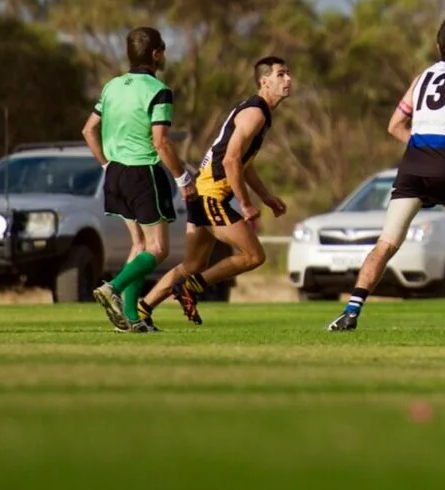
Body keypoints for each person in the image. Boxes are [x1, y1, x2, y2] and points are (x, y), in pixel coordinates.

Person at [328, 16, 445, 333]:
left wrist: (422, 144)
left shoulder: (422, 77)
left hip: (411, 165)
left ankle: (350, 312)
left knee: (387, 242)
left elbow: (394, 125)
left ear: (438, 46)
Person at [139, 56, 295, 329]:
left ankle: (143, 309)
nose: (288, 79)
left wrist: (266, 196)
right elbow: (230, 161)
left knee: (192, 264)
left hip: (203, 192)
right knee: (253, 256)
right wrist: (245, 204)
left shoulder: (259, 113)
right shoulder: (255, 112)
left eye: (288, 74)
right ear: (264, 81)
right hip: (211, 194)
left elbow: (243, 163)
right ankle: (191, 288)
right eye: (281, 75)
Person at [82, 27, 196, 333]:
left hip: (115, 173)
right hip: (142, 171)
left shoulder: (111, 87)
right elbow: (161, 142)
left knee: (139, 245)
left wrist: (106, 165)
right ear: (157, 54)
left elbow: (88, 130)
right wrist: (183, 177)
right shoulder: (159, 90)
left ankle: (132, 319)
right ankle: (113, 289)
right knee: (158, 249)